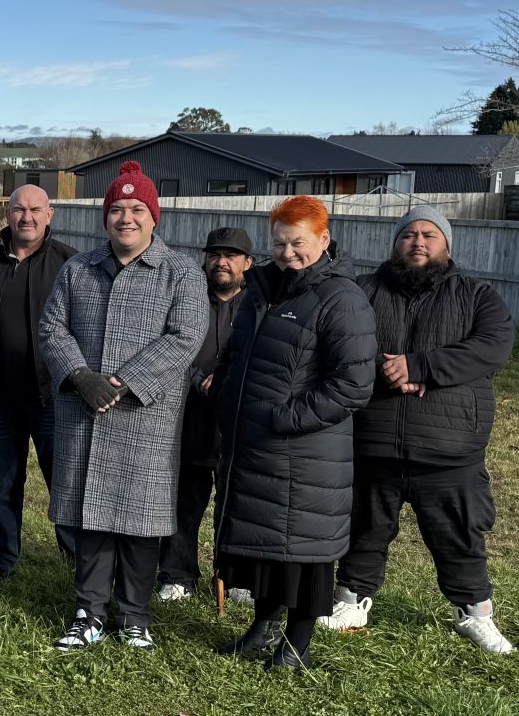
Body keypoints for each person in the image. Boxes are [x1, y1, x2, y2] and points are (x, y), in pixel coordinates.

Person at [320, 206, 516, 653]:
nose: (419, 242)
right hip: (373, 438)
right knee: (364, 527)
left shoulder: (477, 295)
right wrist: (387, 369)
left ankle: (475, 614)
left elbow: (493, 344)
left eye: (430, 234)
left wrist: (423, 365)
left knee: (459, 534)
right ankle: (350, 601)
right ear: (396, 243)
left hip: (448, 446)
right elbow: (335, 340)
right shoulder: (363, 291)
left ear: (446, 244)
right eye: (408, 234)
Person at [39, 161, 207, 652]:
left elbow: (185, 337)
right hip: (85, 412)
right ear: (105, 217)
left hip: (145, 416)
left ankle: (135, 615)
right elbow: (51, 328)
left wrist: (126, 381)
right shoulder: (78, 269)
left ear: (154, 217)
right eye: (117, 209)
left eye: (137, 209)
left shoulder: (181, 273)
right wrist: (79, 375)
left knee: (140, 521)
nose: (126, 218)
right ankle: (89, 612)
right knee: (90, 515)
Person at [212, 196, 376, 670]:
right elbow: (236, 354)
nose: (287, 253)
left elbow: (352, 385)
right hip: (255, 445)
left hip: (305, 452)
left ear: (324, 240)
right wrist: (227, 398)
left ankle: (297, 643)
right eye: (279, 243)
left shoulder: (342, 299)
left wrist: (284, 419)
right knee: (266, 546)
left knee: (304, 552)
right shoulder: (262, 291)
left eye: (297, 243)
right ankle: (263, 627)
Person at [0, 184, 78, 582]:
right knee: (3, 482)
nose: (26, 217)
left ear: (49, 214)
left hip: (53, 398)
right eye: (18, 210)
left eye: (35, 210)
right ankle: (1, 561)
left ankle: (78, 562)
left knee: (63, 481)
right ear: (7, 214)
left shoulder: (70, 265)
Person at [155, 227, 254, 603]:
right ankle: (177, 574)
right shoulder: (187, 297)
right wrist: (198, 379)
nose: (221, 262)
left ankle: (237, 578)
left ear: (248, 263)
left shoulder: (258, 304)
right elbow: (170, 346)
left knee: (236, 503)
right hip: (191, 415)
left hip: (238, 421)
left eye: (231, 256)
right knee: (185, 501)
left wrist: (229, 380)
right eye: (215, 255)